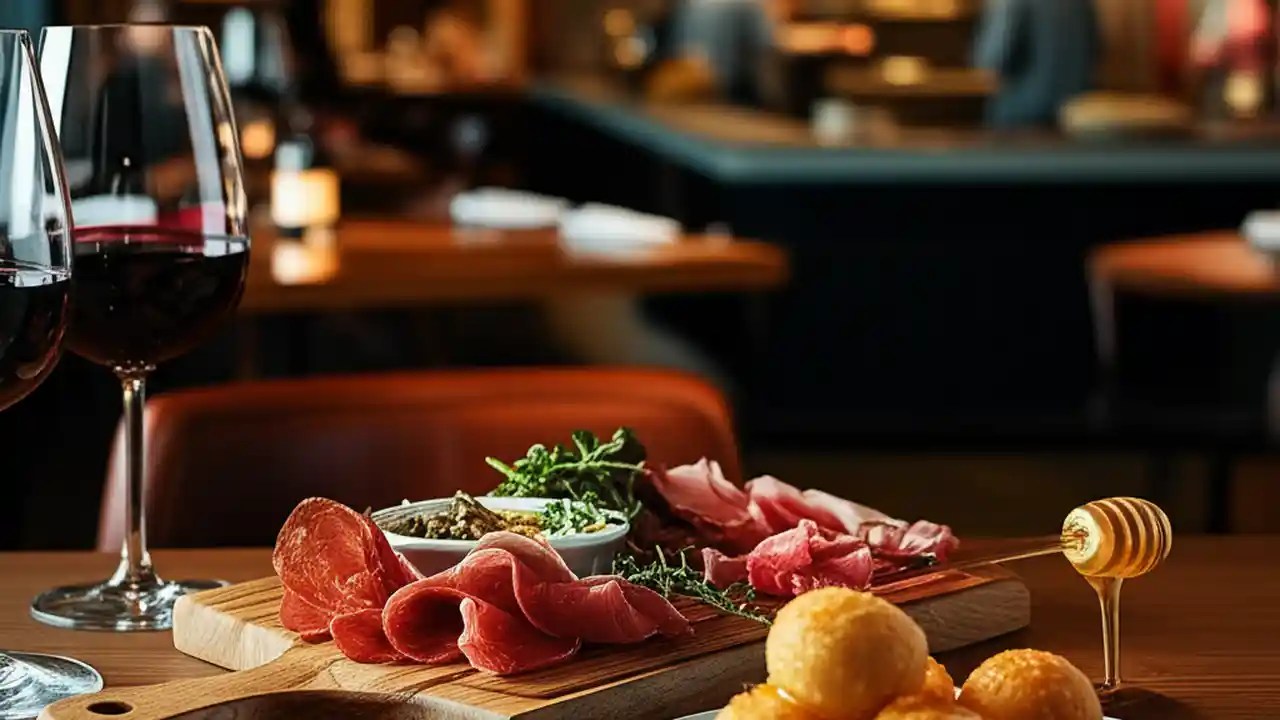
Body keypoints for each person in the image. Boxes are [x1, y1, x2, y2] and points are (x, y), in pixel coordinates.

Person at [972, 0, 1101, 128]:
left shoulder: (1012, 4)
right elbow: (1095, 51)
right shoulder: (1081, 4)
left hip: (1022, 115)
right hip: (1072, 114)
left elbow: (992, 58)